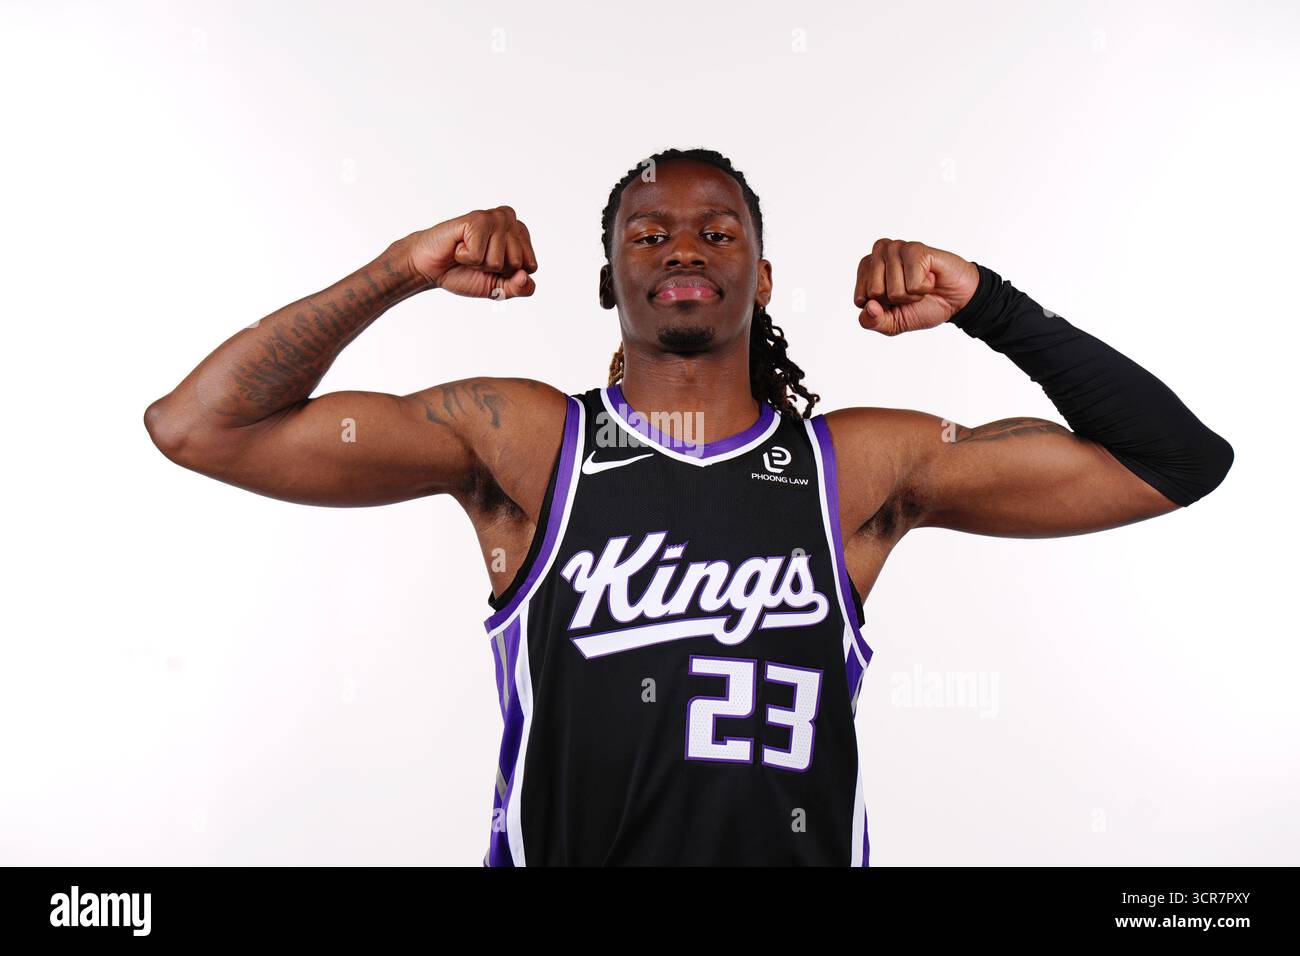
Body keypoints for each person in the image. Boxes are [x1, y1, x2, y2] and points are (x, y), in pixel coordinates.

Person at [144, 147, 1233, 866]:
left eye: (719, 231)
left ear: (762, 277)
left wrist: (988, 304)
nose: (681, 246)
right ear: (607, 274)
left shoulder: (856, 465)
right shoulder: (523, 442)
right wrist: (396, 270)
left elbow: (1172, 461)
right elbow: (200, 426)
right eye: (646, 230)